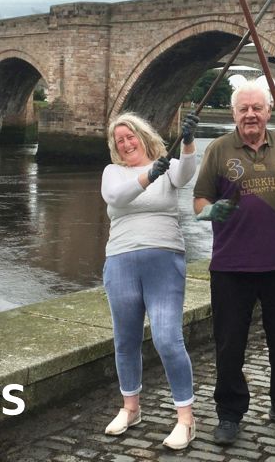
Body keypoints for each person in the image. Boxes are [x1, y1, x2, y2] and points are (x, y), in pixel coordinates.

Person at [192, 81, 275, 446]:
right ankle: (229, 413)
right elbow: (198, 201)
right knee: (230, 343)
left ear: (268, 112)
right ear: (234, 113)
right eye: (243, 108)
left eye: (257, 108)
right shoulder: (218, 149)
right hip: (231, 266)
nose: (250, 114)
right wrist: (213, 210)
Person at [100, 111, 200, 450]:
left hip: (164, 259)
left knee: (167, 338)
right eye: (120, 140)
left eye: (131, 137)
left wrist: (187, 144)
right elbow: (116, 198)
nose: (127, 144)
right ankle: (131, 408)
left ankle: (186, 418)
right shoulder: (113, 172)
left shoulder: (167, 165)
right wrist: (147, 177)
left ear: (143, 137)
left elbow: (186, 175)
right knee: (125, 340)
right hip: (121, 261)